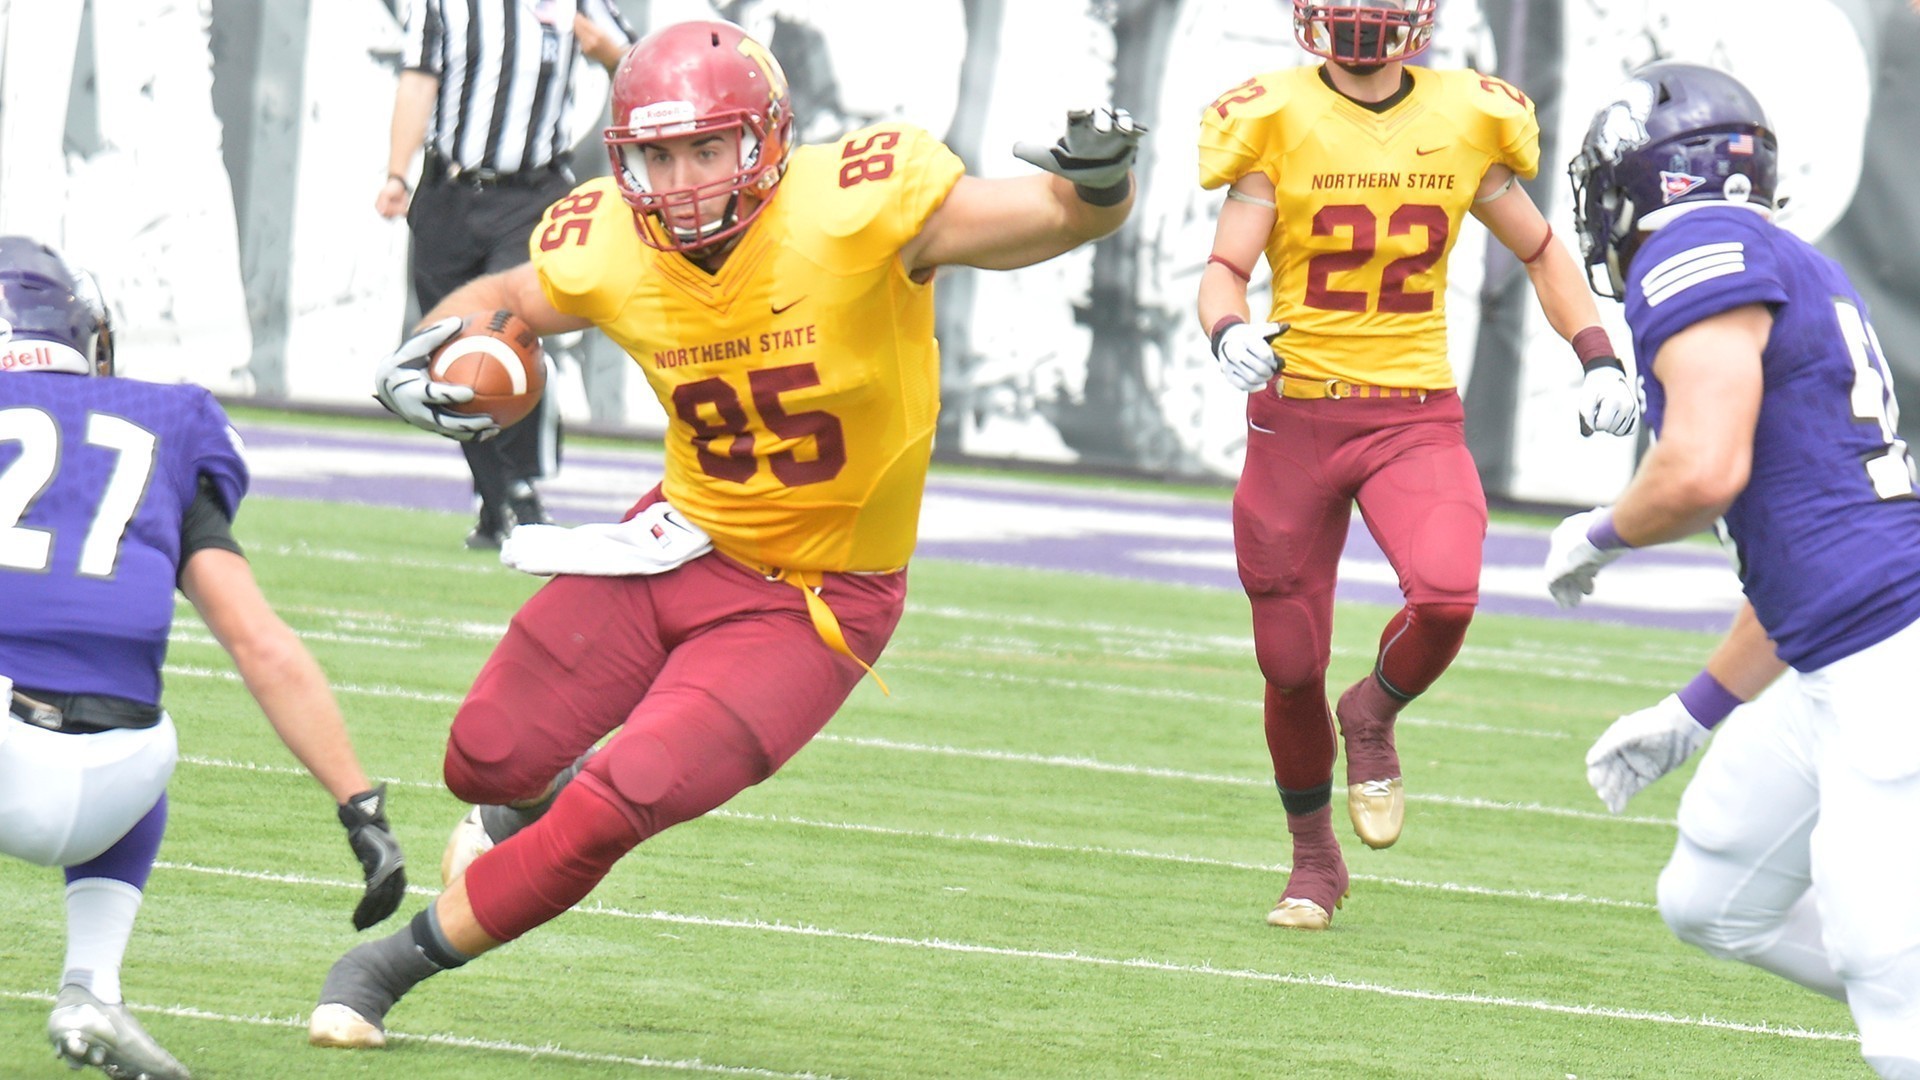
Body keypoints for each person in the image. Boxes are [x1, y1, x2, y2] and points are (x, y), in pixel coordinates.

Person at [308, 18, 1144, 1048]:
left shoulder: (855, 207)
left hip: (815, 598)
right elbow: (511, 296)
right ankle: (533, 804)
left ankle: (383, 968)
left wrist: (1101, 182)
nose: (685, 178)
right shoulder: (609, 233)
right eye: (657, 154)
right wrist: (447, 340)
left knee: (630, 794)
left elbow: (1059, 215)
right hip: (674, 539)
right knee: (484, 759)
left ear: (766, 141)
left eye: (708, 148)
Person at [1193, 0, 1640, 930]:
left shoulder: (1466, 117)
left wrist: (1598, 351)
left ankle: (1375, 710)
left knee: (1444, 595)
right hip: (1298, 417)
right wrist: (1227, 329)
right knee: (1286, 663)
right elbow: (1226, 267)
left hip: (1412, 415)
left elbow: (1542, 248)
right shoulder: (1273, 116)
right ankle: (1313, 864)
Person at [1546, 60, 1920, 1078]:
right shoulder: (1766, 252)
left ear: (1656, 176)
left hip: (1892, 657)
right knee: (1712, 898)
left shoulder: (1695, 248)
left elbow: (1705, 469)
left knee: (1882, 956)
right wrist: (1694, 709)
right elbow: (1806, 554)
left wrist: (1602, 532)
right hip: (1847, 642)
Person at [0, 236, 407, 1080]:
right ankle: (91, 984)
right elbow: (261, 643)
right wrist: (360, 808)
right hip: (119, 779)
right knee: (144, 732)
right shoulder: (167, 424)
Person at [376, 0, 637, 549]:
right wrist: (397, 174)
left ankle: (521, 489)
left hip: (531, 193)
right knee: (452, 349)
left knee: (507, 330)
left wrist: (607, 51)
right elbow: (419, 80)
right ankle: (495, 498)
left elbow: (636, 64)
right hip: (448, 191)